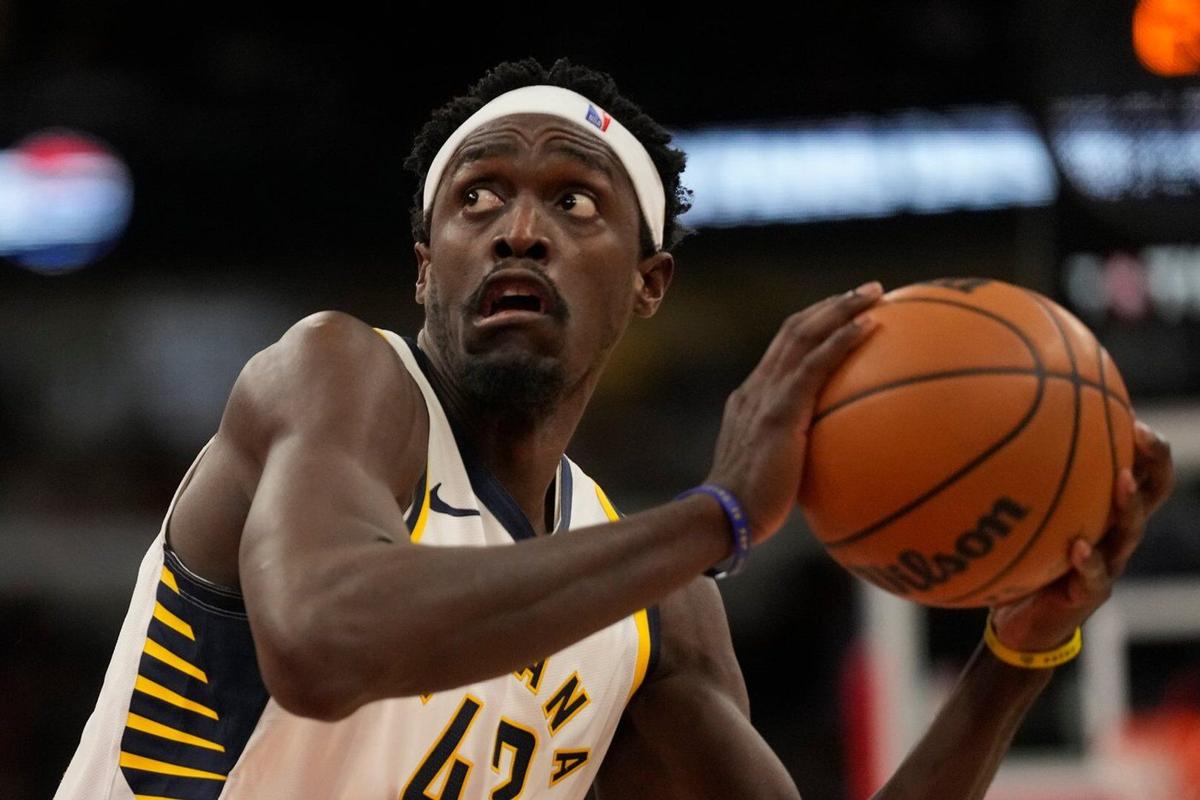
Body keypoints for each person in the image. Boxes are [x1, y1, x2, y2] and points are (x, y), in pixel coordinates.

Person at [55, 57, 1174, 800]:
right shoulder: (340, 377)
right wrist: (716, 514)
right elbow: (322, 642)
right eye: (477, 198)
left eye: (575, 201)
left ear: (649, 283)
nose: (519, 230)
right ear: (425, 267)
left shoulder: (655, 615)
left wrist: (1016, 654)